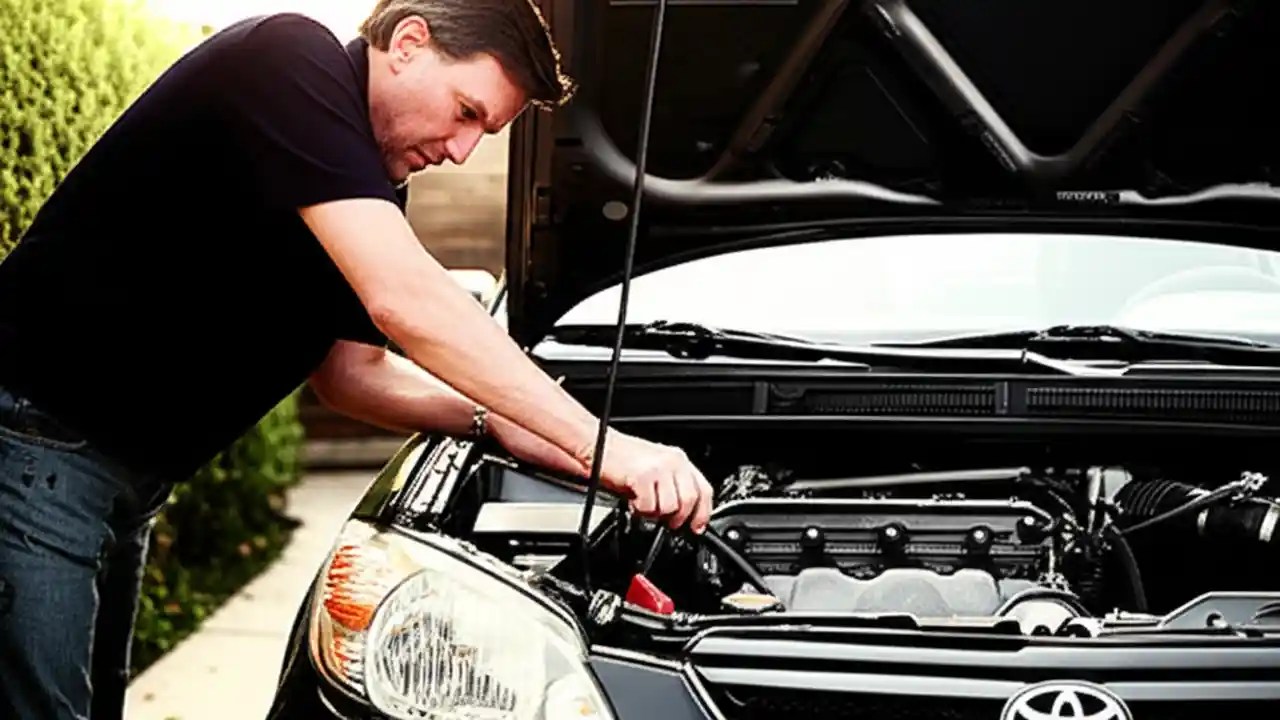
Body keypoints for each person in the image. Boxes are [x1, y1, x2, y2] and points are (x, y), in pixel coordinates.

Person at [0, 1, 714, 718]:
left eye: (486, 132)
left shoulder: (362, 179)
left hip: (115, 481)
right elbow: (403, 299)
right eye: (466, 111)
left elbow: (353, 375)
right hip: (33, 447)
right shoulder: (289, 60)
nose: (463, 151)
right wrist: (608, 450)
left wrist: (488, 420)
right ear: (407, 43)